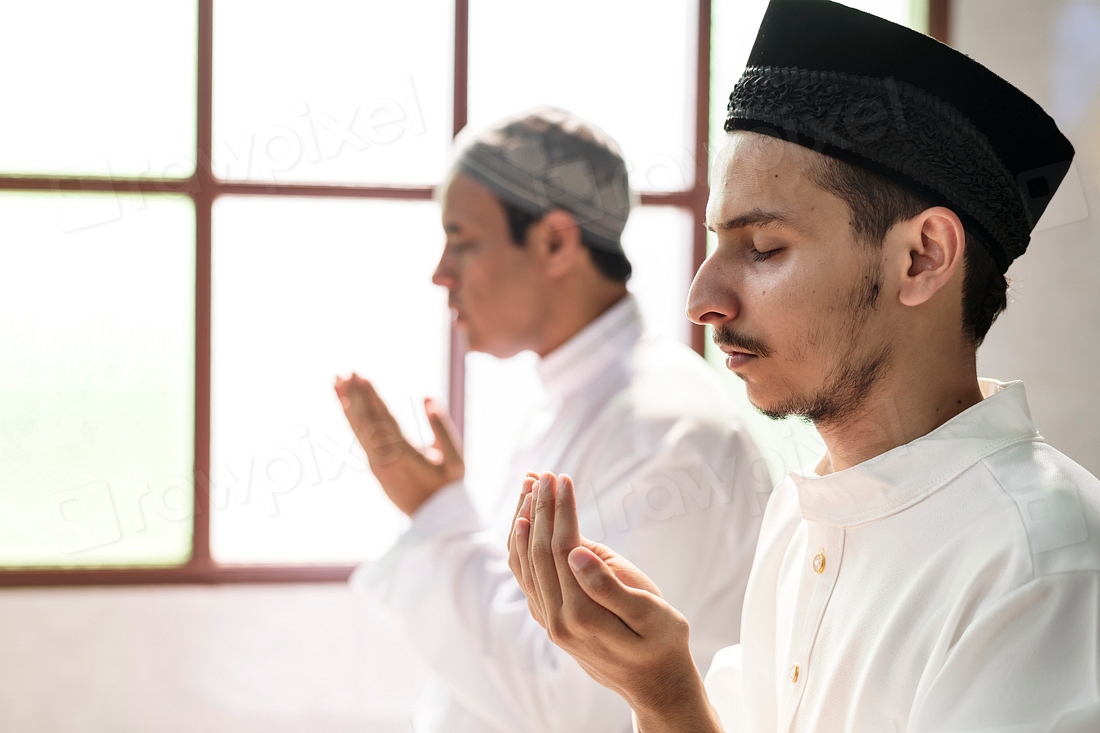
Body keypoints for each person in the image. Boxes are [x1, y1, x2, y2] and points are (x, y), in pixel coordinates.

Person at [507, 3, 1100, 732]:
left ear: (921, 259)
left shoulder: (1041, 562)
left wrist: (669, 696)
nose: (702, 300)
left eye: (763, 248)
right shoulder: (805, 512)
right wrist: (657, 689)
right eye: (715, 243)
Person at [334, 107, 771, 733]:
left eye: (463, 240)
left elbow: (578, 708)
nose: (440, 272)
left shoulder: (669, 433)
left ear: (555, 242)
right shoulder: (568, 402)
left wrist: (435, 512)